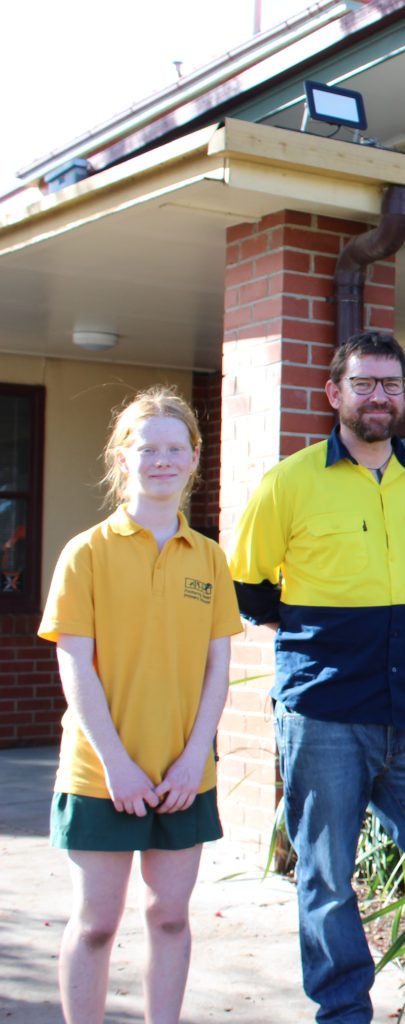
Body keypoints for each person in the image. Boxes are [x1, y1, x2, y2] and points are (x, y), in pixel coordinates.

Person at [229, 330, 405, 1023]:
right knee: (326, 883)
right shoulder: (287, 483)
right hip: (323, 717)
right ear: (334, 394)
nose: (377, 396)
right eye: (363, 383)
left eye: (389, 384)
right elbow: (250, 591)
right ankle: (343, 1015)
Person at [39, 386, 241, 1024]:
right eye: (147, 447)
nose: (161, 459)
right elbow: (74, 664)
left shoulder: (209, 557)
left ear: (192, 460)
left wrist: (192, 762)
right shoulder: (86, 553)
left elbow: (218, 669)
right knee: (97, 924)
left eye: (174, 448)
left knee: (171, 916)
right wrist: (118, 765)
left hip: (184, 774)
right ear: (122, 458)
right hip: (102, 772)